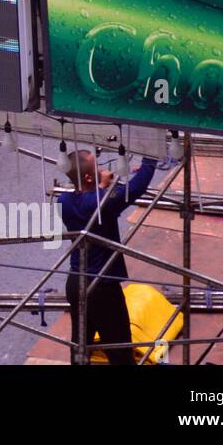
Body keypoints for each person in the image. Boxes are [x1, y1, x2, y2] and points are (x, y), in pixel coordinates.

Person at [58, 149, 158, 365]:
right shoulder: (101, 203)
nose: (104, 170)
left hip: (76, 281)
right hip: (101, 285)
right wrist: (151, 159)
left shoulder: (63, 200)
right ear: (88, 177)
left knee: (80, 345)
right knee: (120, 350)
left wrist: (101, 185)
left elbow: (87, 200)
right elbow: (137, 187)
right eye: (99, 168)